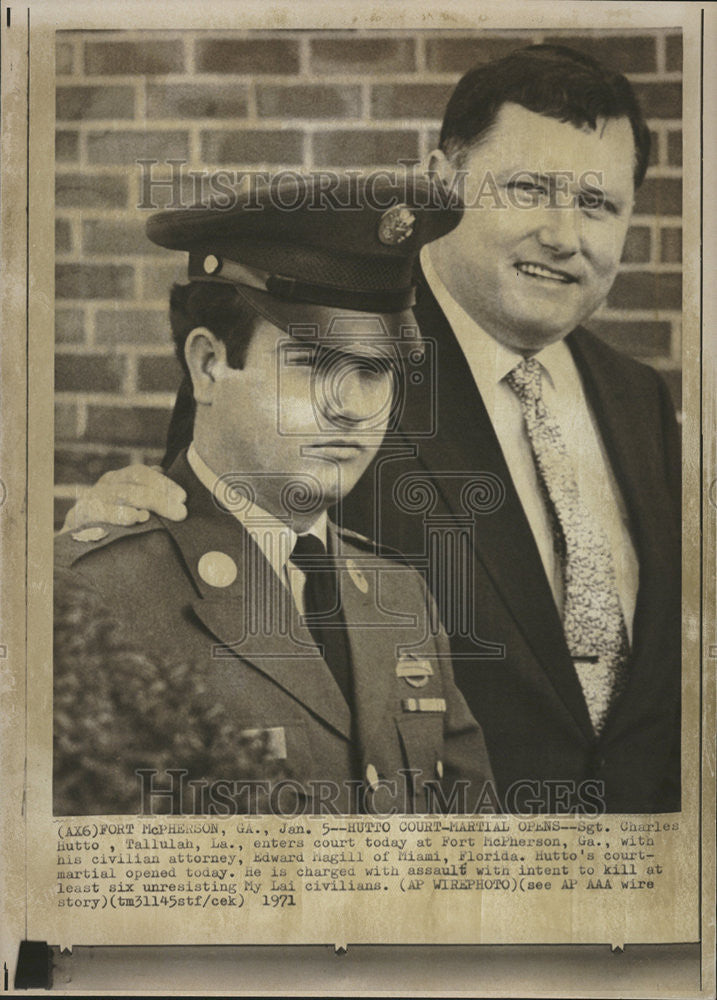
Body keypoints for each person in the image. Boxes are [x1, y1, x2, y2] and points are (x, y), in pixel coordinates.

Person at [62, 45, 681, 813]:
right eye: (528, 189)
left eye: (597, 204)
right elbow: (197, 558)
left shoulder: (638, 401)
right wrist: (97, 548)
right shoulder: (306, 337)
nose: (564, 234)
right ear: (443, 180)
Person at [54, 173, 495, 816]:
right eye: (314, 364)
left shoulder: (401, 597)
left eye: (375, 371)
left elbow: (478, 859)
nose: (351, 409)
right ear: (208, 365)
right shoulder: (91, 594)